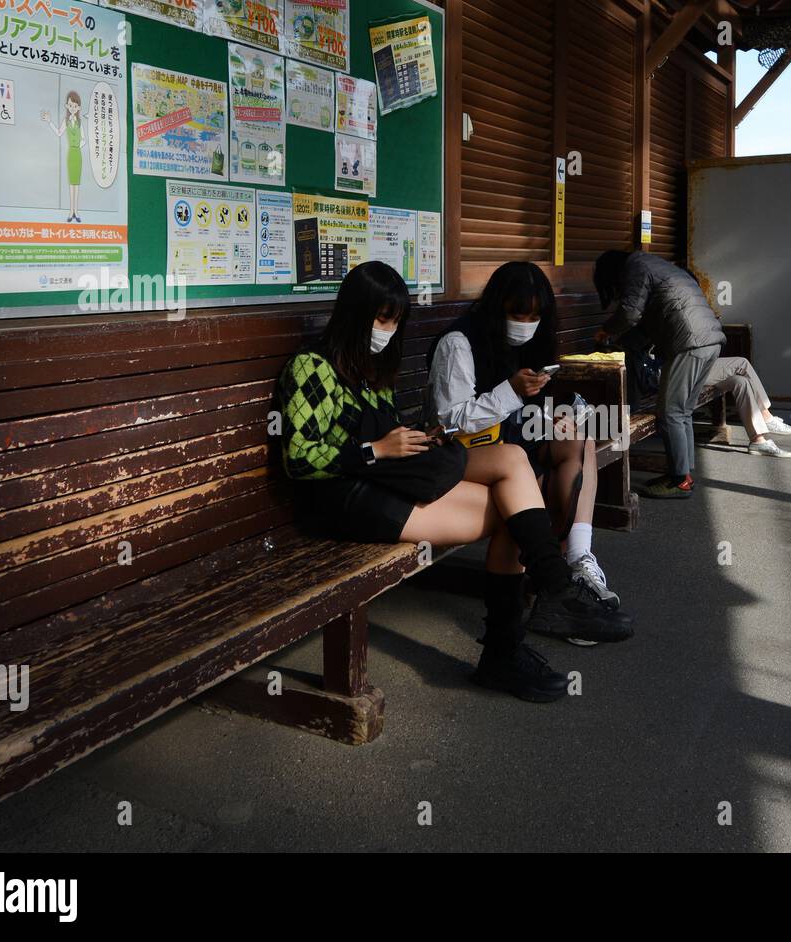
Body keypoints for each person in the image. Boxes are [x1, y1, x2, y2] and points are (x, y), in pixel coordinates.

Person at [277, 262, 630, 704]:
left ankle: (535, 615)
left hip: (385, 482)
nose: (387, 329)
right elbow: (299, 460)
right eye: (381, 318)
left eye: (395, 321)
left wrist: (415, 441)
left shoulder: (370, 375)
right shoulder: (310, 369)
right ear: (353, 313)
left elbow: (387, 439)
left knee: (513, 466)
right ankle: (532, 619)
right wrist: (375, 451)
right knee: (511, 504)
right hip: (340, 499)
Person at [425, 263, 631, 641]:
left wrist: (552, 418)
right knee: (526, 471)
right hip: (465, 454)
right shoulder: (459, 342)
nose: (526, 323)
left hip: (511, 442)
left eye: (534, 316)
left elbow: (525, 409)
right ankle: (560, 594)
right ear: (496, 307)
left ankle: (578, 562)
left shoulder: (529, 343)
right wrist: (512, 391)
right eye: (517, 314)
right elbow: (450, 421)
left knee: (579, 441)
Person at [593, 250, 727, 497]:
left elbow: (631, 312)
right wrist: (624, 342)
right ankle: (683, 474)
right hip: (709, 340)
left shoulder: (635, 265)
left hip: (690, 342)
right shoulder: (656, 265)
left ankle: (679, 480)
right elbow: (648, 321)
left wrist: (605, 332)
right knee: (682, 411)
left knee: (669, 413)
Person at [704, 356, 791, 457]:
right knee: (742, 363)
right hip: (688, 369)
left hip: (698, 364)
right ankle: (766, 417)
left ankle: (758, 441)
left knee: (740, 382)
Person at [41, 91, 85, 223]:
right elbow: (59, 133)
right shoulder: (66, 121)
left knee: (77, 184)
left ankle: (76, 211)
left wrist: (78, 146)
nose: (73, 108)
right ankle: (71, 211)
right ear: (67, 106)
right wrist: (50, 122)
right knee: (71, 183)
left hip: (78, 154)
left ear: (79, 108)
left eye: (75, 105)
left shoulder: (80, 122)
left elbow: (84, 140)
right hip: (71, 154)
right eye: (71, 105)